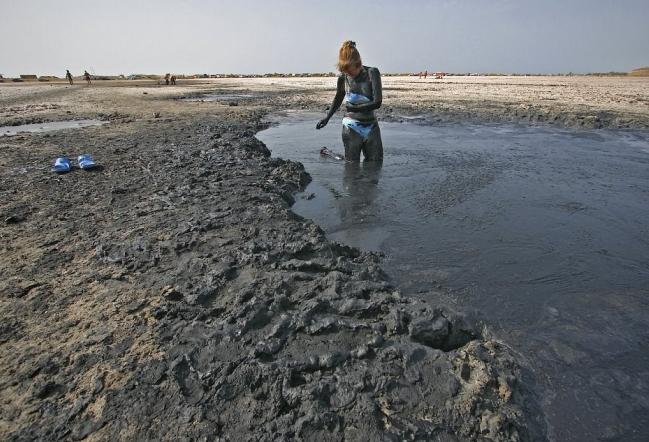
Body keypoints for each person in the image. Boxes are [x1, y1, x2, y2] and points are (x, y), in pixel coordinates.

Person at [316, 41, 383, 161]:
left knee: (376, 164)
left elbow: (377, 102)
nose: (348, 73)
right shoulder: (343, 78)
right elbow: (338, 98)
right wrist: (327, 118)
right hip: (351, 127)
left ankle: (329, 154)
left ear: (358, 63)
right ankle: (330, 154)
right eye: (344, 70)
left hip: (371, 126)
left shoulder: (372, 73)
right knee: (352, 167)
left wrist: (355, 108)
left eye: (349, 70)